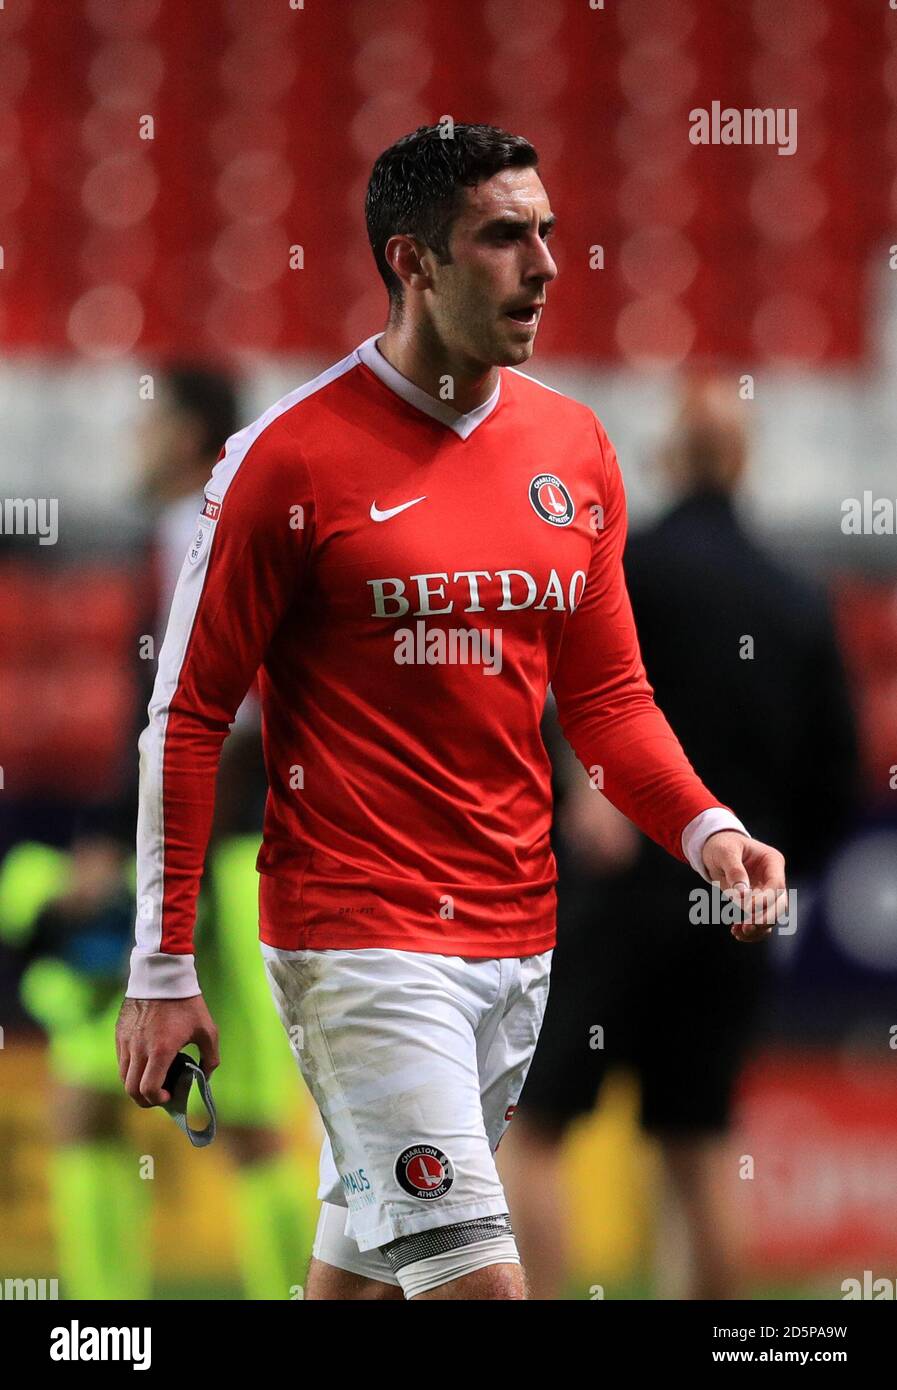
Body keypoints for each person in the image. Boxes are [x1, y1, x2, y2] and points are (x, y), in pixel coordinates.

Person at [116, 124, 787, 1303]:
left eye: (549, 233)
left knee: (365, 1281)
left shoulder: (573, 448)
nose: (545, 265)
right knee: (482, 1286)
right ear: (413, 261)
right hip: (359, 942)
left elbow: (607, 696)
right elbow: (185, 715)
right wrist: (164, 965)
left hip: (516, 933)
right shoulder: (285, 461)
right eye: (504, 237)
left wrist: (705, 828)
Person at [501, 377, 860, 1298]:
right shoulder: (797, 599)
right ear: (742, 462)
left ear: (668, 456)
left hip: (614, 895)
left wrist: (579, 796)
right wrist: (775, 868)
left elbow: (548, 688)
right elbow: (836, 782)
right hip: (731, 906)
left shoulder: (626, 567)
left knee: (532, 1132)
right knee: (699, 1151)